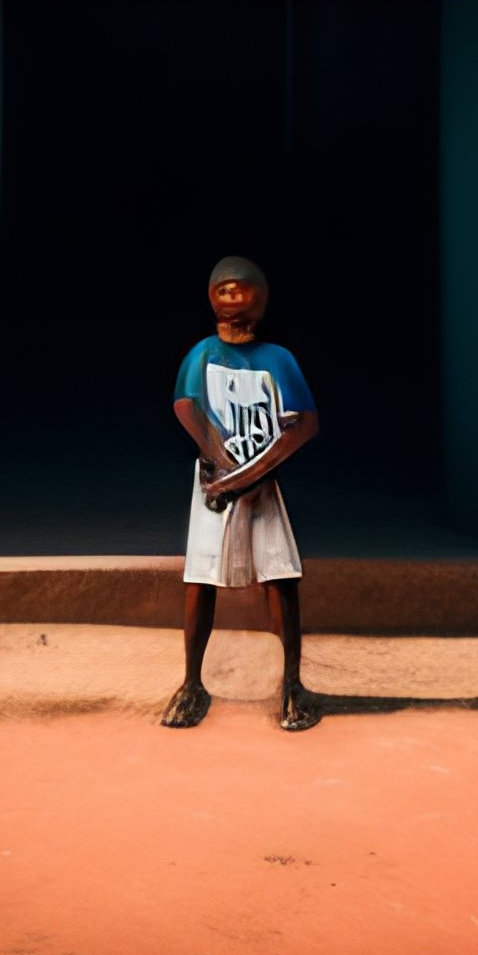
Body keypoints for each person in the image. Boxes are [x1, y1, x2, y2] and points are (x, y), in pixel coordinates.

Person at [161, 254, 321, 732]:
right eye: (223, 289)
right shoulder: (203, 353)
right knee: (201, 576)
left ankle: (292, 683)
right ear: (210, 297)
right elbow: (186, 407)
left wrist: (253, 473)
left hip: (261, 484)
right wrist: (226, 468)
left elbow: (304, 424)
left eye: (242, 288)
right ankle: (192, 682)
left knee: (281, 575)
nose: (232, 297)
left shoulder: (278, 360)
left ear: (263, 297)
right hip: (215, 479)